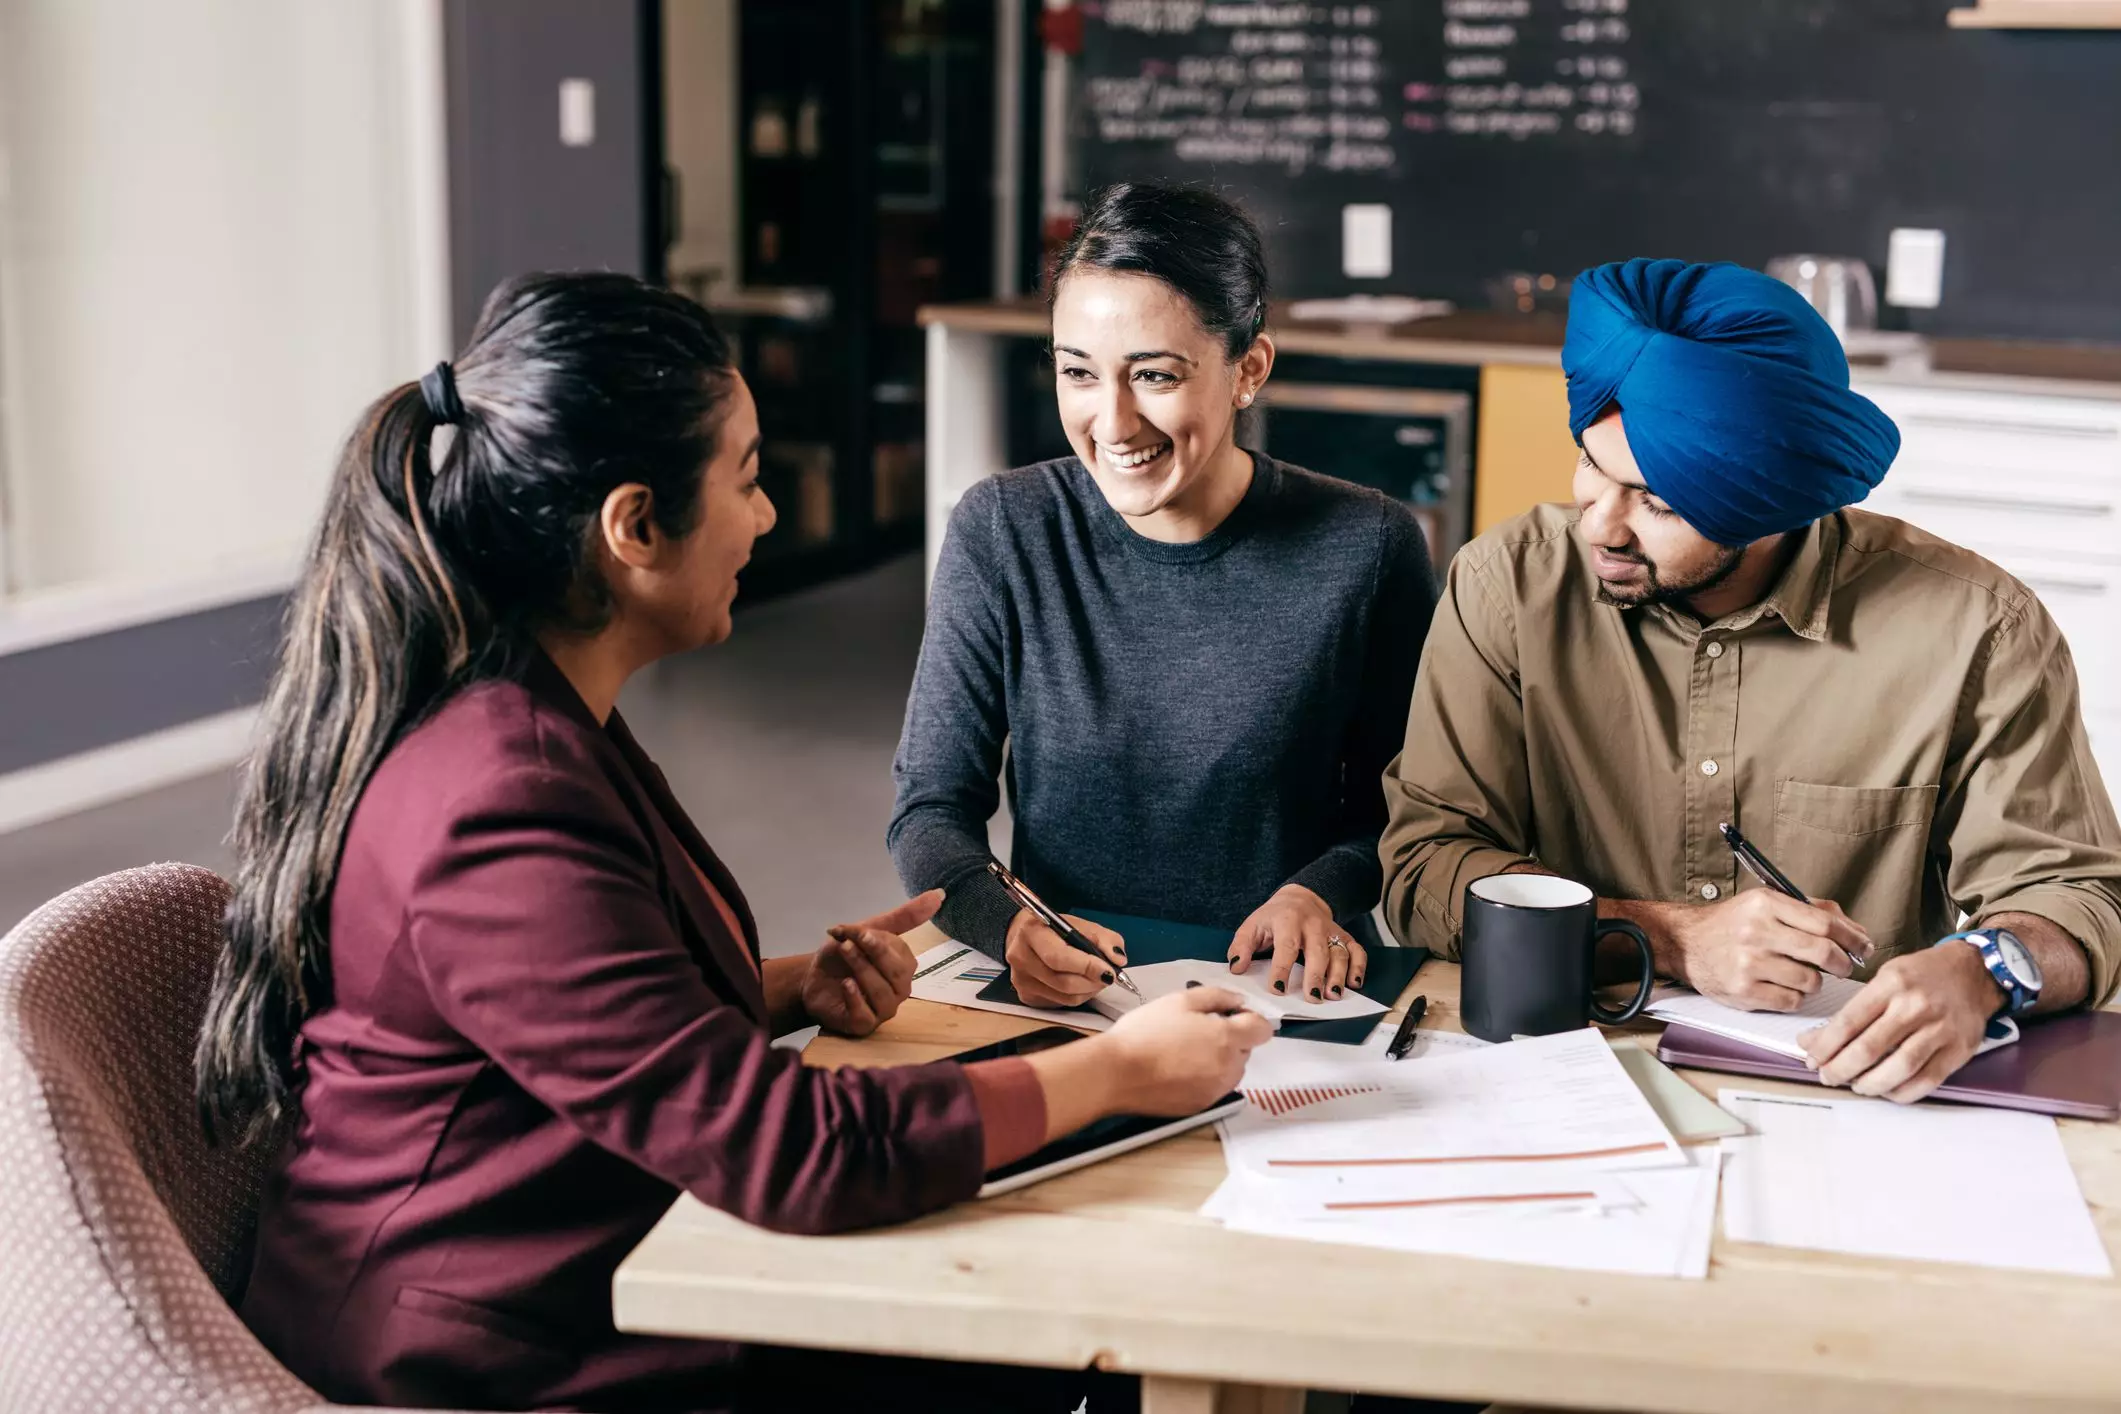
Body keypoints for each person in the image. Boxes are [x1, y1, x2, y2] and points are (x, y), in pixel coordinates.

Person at [194, 272, 1270, 1413]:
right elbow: (792, 1151)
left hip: (587, 1274)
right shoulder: (496, 800)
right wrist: (1116, 1069)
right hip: (488, 1360)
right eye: (748, 480)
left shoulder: (535, 715)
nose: (766, 516)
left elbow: (559, 1022)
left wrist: (789, 988)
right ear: (633, 527)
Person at [1381, 257, 2121, 1104]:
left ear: (1771, 503)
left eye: (1658, 503)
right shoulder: (1507, 585)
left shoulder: (1973, 628)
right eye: (1591, 466)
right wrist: (1669, 936)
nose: (1601, 524)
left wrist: (1984, 968)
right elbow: (1423, 866)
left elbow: (2076, 895)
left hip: (1854, 1086)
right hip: (1562, 1062)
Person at [890, 182, 1437, 1009]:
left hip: (1286, 995)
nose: (1111, 422)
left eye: (1152, 376)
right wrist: (1005, 925)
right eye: (1078, 373)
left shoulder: (1367, 545)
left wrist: (1317, 892)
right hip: (1079, 997)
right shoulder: (1003, 530)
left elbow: (1404, 806)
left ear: (1248, 368)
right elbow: (931, 807)